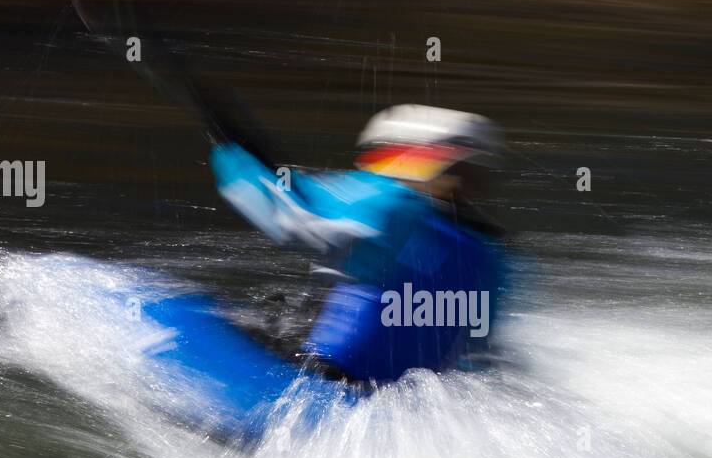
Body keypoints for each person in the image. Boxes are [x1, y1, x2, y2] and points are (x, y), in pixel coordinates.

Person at [208, 104, 506, 384]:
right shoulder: (494, 257)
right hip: (404, 403)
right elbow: (474, 348)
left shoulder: (391, 206)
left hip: (330, 381)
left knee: (213, 316)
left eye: (382, 157)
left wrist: (232, 155)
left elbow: (290, 216)